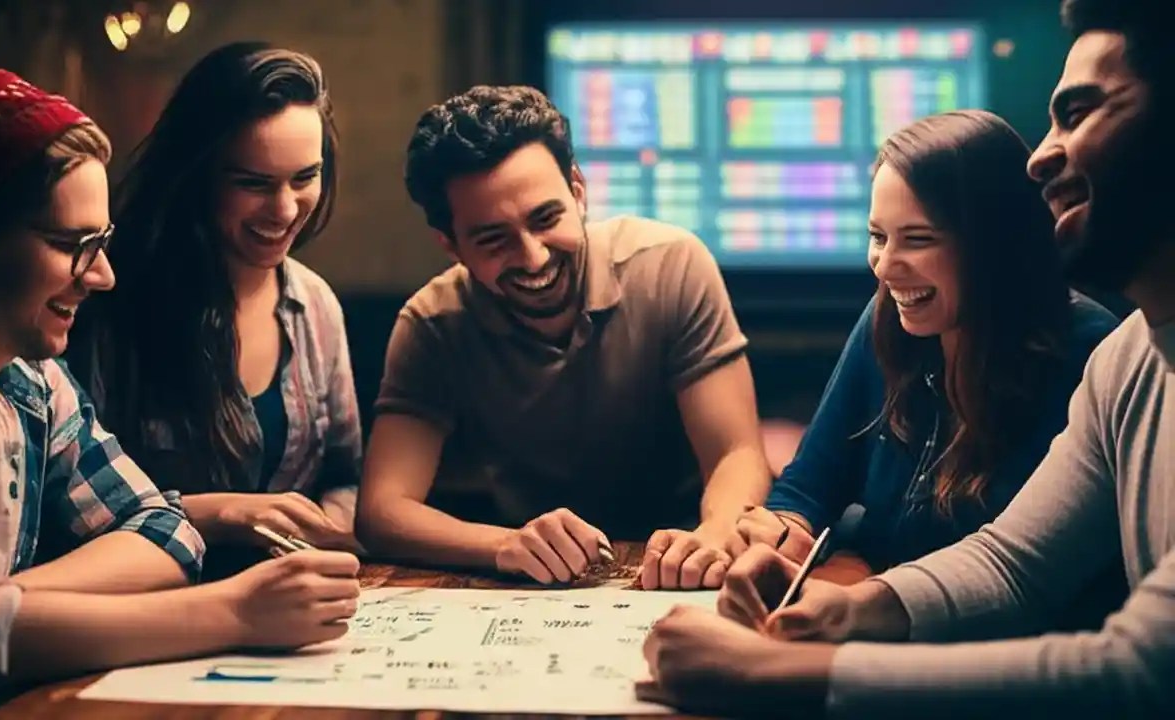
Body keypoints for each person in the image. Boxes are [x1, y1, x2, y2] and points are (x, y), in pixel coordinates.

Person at [639, 1, 1175, 716]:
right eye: (877, 236)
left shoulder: (1091, 347)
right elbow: (1011, 565)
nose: (1042, 155)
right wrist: (848, 611)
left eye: (1080, 113)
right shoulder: (1130, 364)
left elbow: (1144, 671)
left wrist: (776, 673)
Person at [0, 70, 359, 718]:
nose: (104, 276)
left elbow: (166, 528)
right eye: (73, 245)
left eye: (103, 243)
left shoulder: (34, 386)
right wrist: (232, 613)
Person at [355, 85, 775, 590]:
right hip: (536, 571)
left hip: (683, 551)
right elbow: (382, 511)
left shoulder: (672, 265)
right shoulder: (432, 323)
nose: (533, 258)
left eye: (545, 218)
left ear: (577, 191)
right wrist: (504, 544)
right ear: (450, 245)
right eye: (494, 239)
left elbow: (737, 453)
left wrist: (716, 532)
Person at [735, 110, 1118, 580]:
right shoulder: (890, 317)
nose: (884, 266)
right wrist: (782, 533)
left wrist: (867, 579)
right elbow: (810, 486)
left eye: (918, 240)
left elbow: (1024, 573)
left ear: (995, 245)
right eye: (878, 237)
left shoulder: (1086, 352)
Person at [67, 42, 363, 579]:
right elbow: (63, 510)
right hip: (149, 609)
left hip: (291, 606)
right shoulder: (110, 303)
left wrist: (325, 530)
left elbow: (346, 471)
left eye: (304, 178)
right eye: (253, 183)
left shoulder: (314, 306)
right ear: (198, 173)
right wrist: (218, 514)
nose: (284, 208)